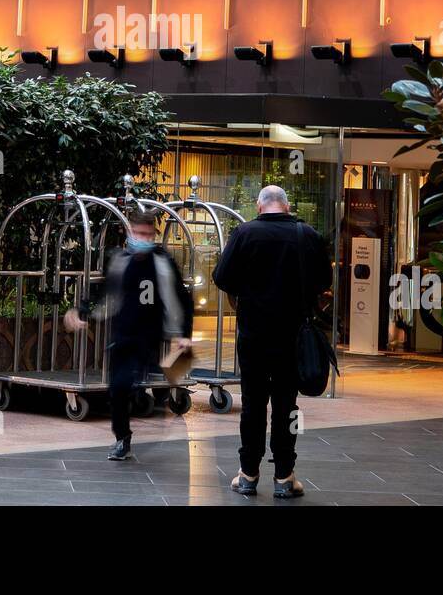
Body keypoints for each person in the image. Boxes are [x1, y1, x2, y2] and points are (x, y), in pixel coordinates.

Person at [212, 185, 332, 499]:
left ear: (259, 205)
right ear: (287, 206)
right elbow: (324, 282)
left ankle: (248, 474)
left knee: (252, 405)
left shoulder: (244, 233)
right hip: (293, 337)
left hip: (253, 334)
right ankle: (284, 476)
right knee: (286, 406)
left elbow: (222, 278)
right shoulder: (307, 234)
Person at [66, 208, 192, 461]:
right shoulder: (120, 260)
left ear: (153, 235)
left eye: (148, 234)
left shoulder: (163, 261)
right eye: (138, 233)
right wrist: (81, 311)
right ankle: (122, 437)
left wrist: (184, 333)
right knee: (118, 387)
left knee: (135, 380)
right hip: (123, 332)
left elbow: (181, 298)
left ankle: (143, 396)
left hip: (153, 335)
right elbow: (104, 292)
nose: (143, 239)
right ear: (129, 232)